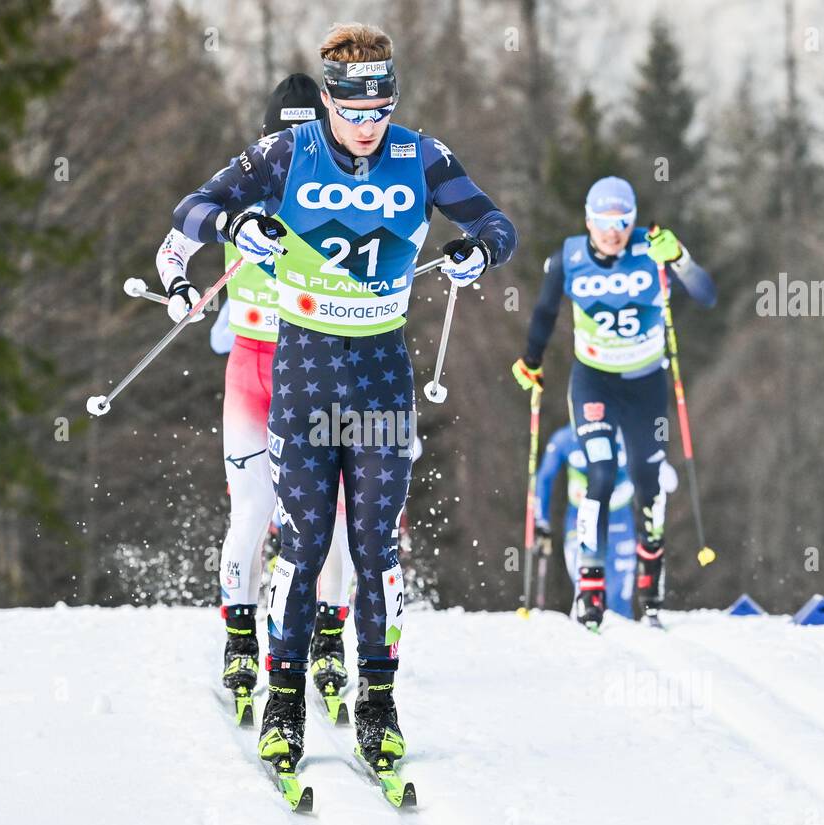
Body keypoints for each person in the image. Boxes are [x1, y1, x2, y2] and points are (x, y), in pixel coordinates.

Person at [163, 23, 516, 777]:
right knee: (302, 545)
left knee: (376, 548)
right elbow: (191, 209)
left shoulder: (421, 155)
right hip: (306, 365)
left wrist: (476, 252)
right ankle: (284, 702)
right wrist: (239, 221)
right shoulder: (287, 152)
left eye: (380, 111)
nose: (367, 128)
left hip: (382, 369)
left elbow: (495, 220)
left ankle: (378, 705)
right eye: (353, 113)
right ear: (327, 100)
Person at [156, 76, 355, 719]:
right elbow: (175, 239)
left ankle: (327, 637)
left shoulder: (345, 184)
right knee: (251, 513)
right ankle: (240, 639)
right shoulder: (243, 183)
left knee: (333, 520)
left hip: (322, 366)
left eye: (301, 138)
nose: (288, 149)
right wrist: (181, 288)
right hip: (253, 367)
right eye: (279, 137)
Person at [512, 176, 713, 630]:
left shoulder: (652, 250)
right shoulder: (570, 257)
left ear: (633, 220)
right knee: (599, 473)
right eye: (603, 221)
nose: (613, 231)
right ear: (588, 220)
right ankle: (591, 585)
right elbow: (545, 312)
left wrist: (680, 259)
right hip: (594, 382)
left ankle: (650, 584)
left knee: (646, 481)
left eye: (622, 221)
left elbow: (706, 293)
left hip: (645, 384)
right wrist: (531, 361)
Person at [535, 426, 678, 618]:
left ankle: (620, 642)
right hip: (581, 523)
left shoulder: (629, 435)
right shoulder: (565, 438)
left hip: (620, 524)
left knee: (618, 599)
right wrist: (541, 521)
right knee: (585, 591)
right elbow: (544, 478)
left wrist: (659, 466)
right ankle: (583, 637)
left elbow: (670, 482)